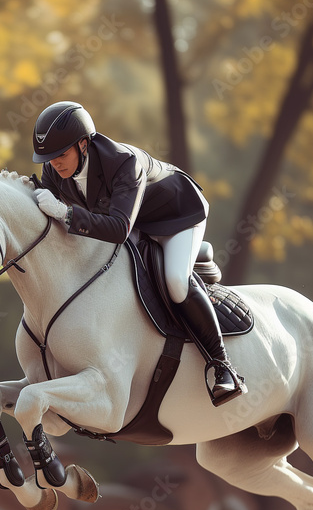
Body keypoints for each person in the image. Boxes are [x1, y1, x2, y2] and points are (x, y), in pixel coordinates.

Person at [31, 100, 245, 405]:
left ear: (83, 144)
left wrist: (67, 215)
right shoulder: (55, 168)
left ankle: (222, 367)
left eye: (61, 155)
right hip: (137, 219)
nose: (55, 165)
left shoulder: (123, 162)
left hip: (178, 216)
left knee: (175, 281)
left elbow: (117, 228)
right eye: (49, 158)